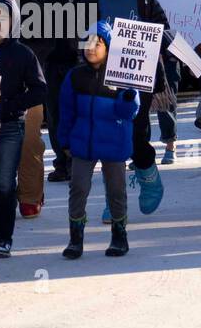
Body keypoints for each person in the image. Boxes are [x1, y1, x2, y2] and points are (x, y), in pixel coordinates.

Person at [79, 0, 172, 215]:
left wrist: (157, 38)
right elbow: (80, 40)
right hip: (104, 80)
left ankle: (150, 178)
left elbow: (162, 29)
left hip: (137, 79)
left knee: (134, 135)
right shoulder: (89, 2)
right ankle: (114, 199)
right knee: (109, 138)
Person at [56, 19, 140, 258]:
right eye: (87, 42)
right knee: (78, 188)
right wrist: (64, 142)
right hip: (82, 143)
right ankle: (75, 238)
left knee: (116, 190)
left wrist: (129, 98)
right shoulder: (74, 77)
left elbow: (130, 113)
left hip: (114, 143)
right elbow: (65, 111)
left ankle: (119, 235)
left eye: (97, 43)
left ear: (108, 46)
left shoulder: (122, 74)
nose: (91, 47)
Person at [0, 0, 46, 257]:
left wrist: (12, 105)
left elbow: (40, 90)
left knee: (6, 184)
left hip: (8, 127)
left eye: (3, 18)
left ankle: (4, 238)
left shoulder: (22, 53)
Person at [34, 0, 98, 182]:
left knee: (81, 112)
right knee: (55, 115)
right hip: (53, 61)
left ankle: (81, 159)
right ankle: (63, 161)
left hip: (79, 60)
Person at [0, 0, 46, 218]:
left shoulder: (31, 6)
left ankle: (30, 196)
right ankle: (1, 195)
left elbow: (44, 40)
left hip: (27, 85)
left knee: (30, 144)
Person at [143, 0, 179, 164]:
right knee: (141, 107)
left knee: (166, 102)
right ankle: (142, 148)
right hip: (145, 55)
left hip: (168, 56)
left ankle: (170, 144)